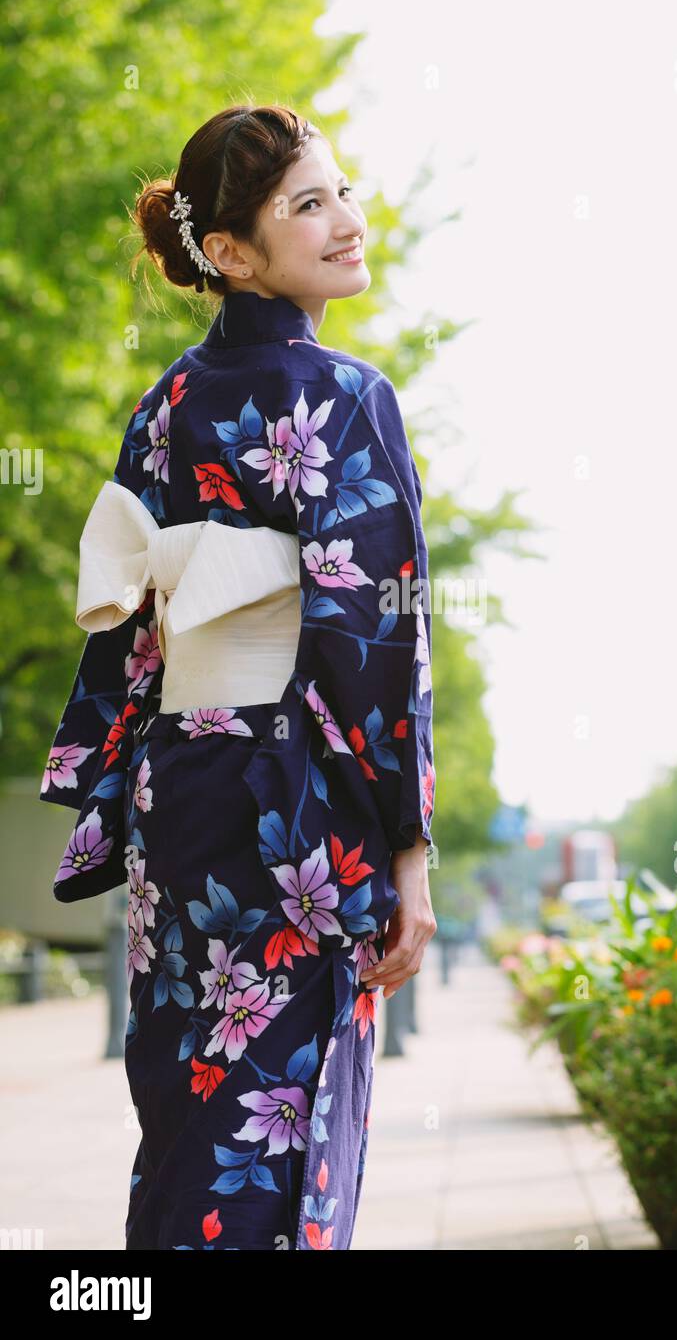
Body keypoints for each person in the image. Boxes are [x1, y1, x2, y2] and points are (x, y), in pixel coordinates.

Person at [39, 102, 437, 1251]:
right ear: (228, 253)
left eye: (343, 190)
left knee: (187, 1111)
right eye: (308, 205)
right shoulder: (348, 396)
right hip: (299, 804)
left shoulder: (160, 407)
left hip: (184, 795)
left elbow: (131, 643)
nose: (347, 221)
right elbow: (372, 645)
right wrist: (408, 855)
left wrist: (114, 794)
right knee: (287, 1121)